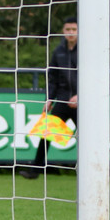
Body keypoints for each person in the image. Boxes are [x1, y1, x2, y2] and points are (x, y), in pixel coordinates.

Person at [21, 16, 78, 179]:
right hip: (61, 99)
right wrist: (49, 99)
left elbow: (90, 77)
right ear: (63, 31)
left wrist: (80, 96)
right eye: (68, 30)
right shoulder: (58, 52)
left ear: (79, 31)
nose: (71, 33)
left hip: (81, 102)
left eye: (74, 29)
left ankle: (93, 170)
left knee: (87, 137)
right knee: (46, 133)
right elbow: (52, 77)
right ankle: (35, 171)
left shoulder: (85, 51)